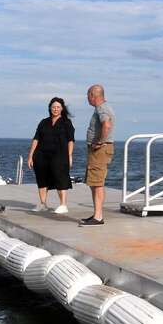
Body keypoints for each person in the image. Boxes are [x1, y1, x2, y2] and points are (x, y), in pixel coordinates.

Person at [27, 97, 74, 214]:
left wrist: (70, 155)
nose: (55, 109)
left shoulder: (66, 123)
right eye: (53, 107)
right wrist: (30, 156)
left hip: (60, 155)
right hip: (41, 155)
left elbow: (71, 140)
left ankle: (63, 205)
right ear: (50, 108)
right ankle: (43, 204)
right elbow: (36, 139)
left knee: (60, 178)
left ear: (62, 109)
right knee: (42, 179)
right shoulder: (44, 122)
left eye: (58, 107)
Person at [80, 83, 115, 226]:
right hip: (98, 150)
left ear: (94, 96)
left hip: (100, 150)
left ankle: (98, 217)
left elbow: (106, 125)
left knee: (97, 183)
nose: (87, 98)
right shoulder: (103, 108)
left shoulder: (102, 108)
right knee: (94, 183)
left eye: (88, 95)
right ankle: (96, 214)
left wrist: (100, 141)